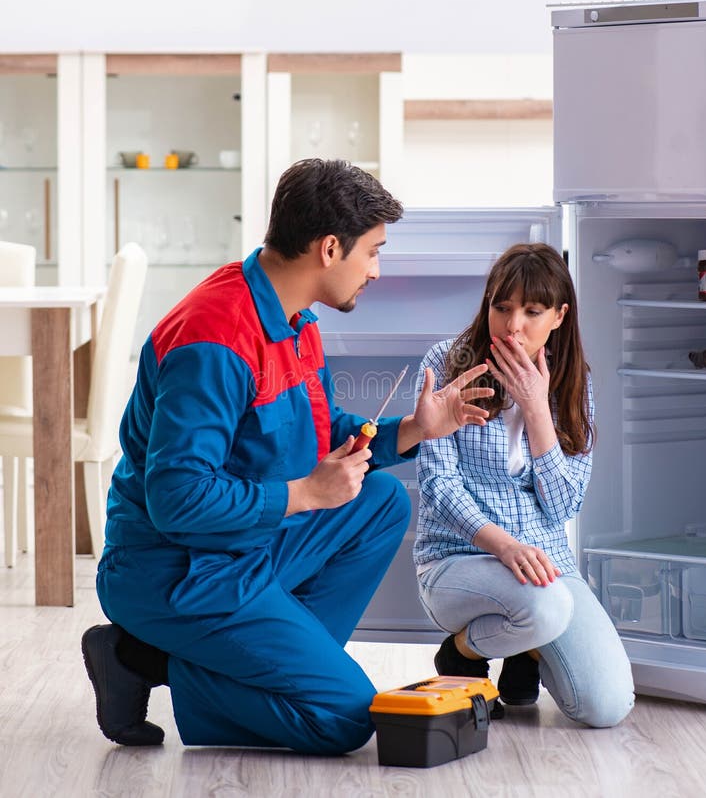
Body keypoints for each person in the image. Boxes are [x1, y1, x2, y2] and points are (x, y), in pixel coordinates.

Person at [80, 158, 493, 753]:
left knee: (378, 500)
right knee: (348, 719)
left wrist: (413, 429)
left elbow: (318, 436)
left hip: (246, 544)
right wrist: (304, 494)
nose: (376, 270)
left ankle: (261, 664)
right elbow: (175, 499)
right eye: (372, 252)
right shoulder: (215, 340)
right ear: (330, 248)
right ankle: (141, 659)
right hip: (178, 571)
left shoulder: (296, 319)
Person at [414, 242, 634, 728]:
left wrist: (536, 409)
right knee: (548, 605)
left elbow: (562, 508)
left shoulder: (575, 383)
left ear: (558, 316)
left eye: (532, 311)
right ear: (488, 303)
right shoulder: (447, 362)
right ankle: (462, 652)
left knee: (606, 706)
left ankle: (525, 649)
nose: (513, 325)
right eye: (502, 307)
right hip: (458, 561)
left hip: (545, 565)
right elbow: (437, 483)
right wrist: (504, 546)